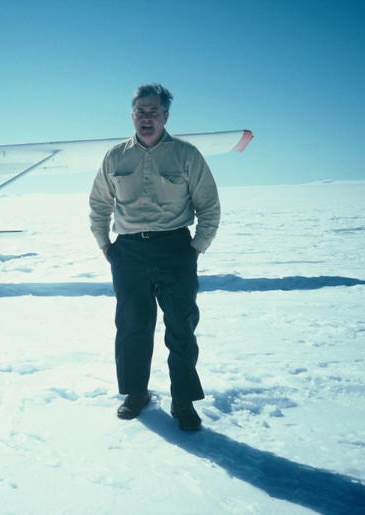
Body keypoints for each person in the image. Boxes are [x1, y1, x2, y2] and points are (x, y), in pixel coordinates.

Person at [89, 83, 220, 430]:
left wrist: (194, 249)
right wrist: (105, 244)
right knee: (132, 326)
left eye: (153, 111)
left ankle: (183, 402)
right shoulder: (115, 157)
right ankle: (136, 393)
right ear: (132, 115)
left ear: (165, 116)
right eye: (140, 111)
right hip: (128, 251)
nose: (146, 118)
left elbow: (209, 207)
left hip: (175, 249)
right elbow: (99, 203)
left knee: (181, 327)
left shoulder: (187, 155)